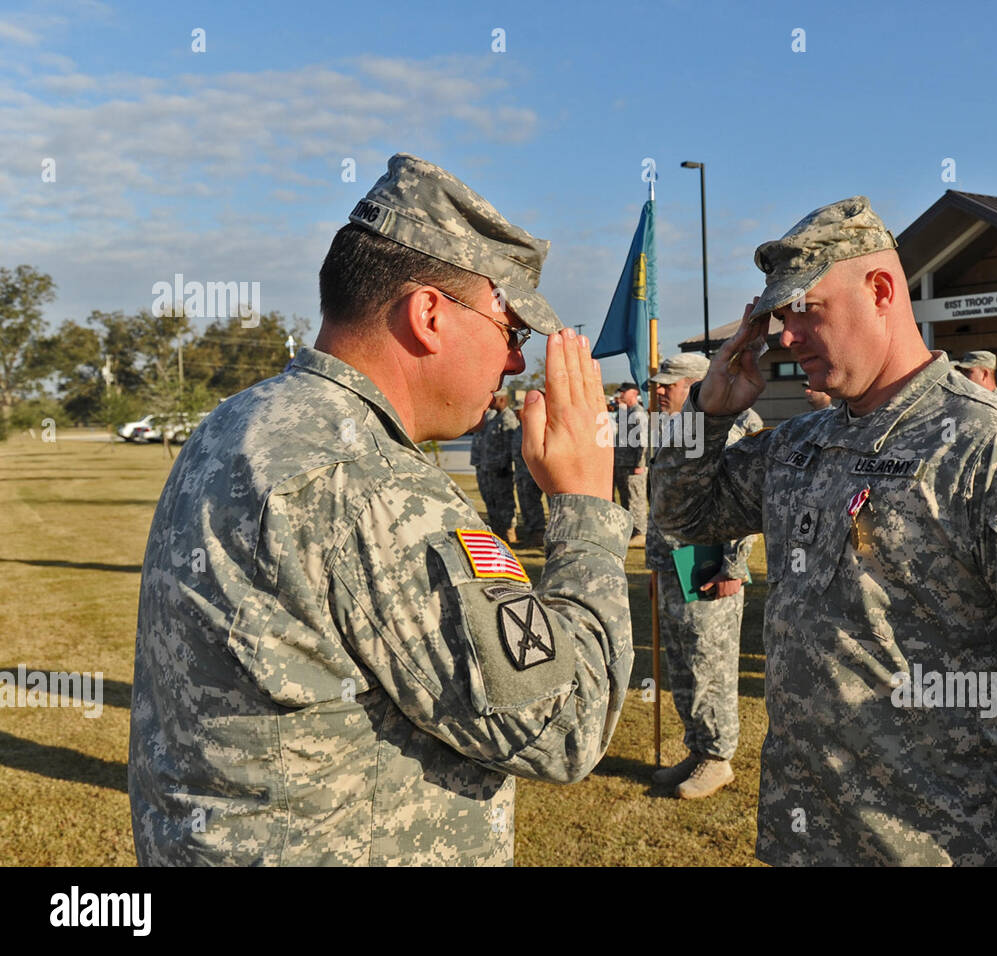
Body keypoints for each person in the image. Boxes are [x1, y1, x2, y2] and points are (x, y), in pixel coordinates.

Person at [128, 154, 633, 866]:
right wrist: (583, 507)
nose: (515, 364)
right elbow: (563, 725)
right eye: (511, 331)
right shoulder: (371, 485)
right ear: (429, 314)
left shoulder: (235, 423)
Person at [652, 195, 997, 866]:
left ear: (879, 290)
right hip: (809, 830)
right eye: (779, 319)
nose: (786, 338)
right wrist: (704, 417)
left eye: (805, 311)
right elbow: (681, 516)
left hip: (947, 839)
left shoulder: (995, 445)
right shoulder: (802, 444)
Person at [646, 352, 763, 799]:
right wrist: (657, 563)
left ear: (696, 384)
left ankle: (717, 757)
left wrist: (731, 566)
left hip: (708, 560)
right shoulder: (676, 428)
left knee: (709, 661)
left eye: (668, 384)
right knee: (683, 659)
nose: (659, 391)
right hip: (673, 561)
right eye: (658, 383)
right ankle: (697, 748)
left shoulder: (732, 425)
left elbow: (744, 501)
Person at [476, 390, 517, 541]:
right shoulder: (494, 418)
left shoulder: (508, 418)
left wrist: (504, 466)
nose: (490, 402)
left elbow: (510, 446)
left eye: (493, 399)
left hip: (501, 470)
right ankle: (498, 532)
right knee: (491, 500)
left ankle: (509, 532)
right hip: (489, 468)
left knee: (505, 501)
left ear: (501, 399)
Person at [612, 383, 649, 545]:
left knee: (636, 499)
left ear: (634, 393)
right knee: (626, 499)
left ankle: (640, 532)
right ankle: (630, 531)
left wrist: (640, 463)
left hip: (634, 465)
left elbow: (643, 441)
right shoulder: (626, 413)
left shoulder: (638, 413)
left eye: (624, 392)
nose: (621, 394)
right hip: (622, 463)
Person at [510, 395, 547, 548]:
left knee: (550, 505)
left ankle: (542, 534)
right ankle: (533, 533)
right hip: (523, 475)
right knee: (528, 505)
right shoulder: (519, 428)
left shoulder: (537, 427)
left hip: (538, 474)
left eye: (518, 411)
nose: (516, 414)